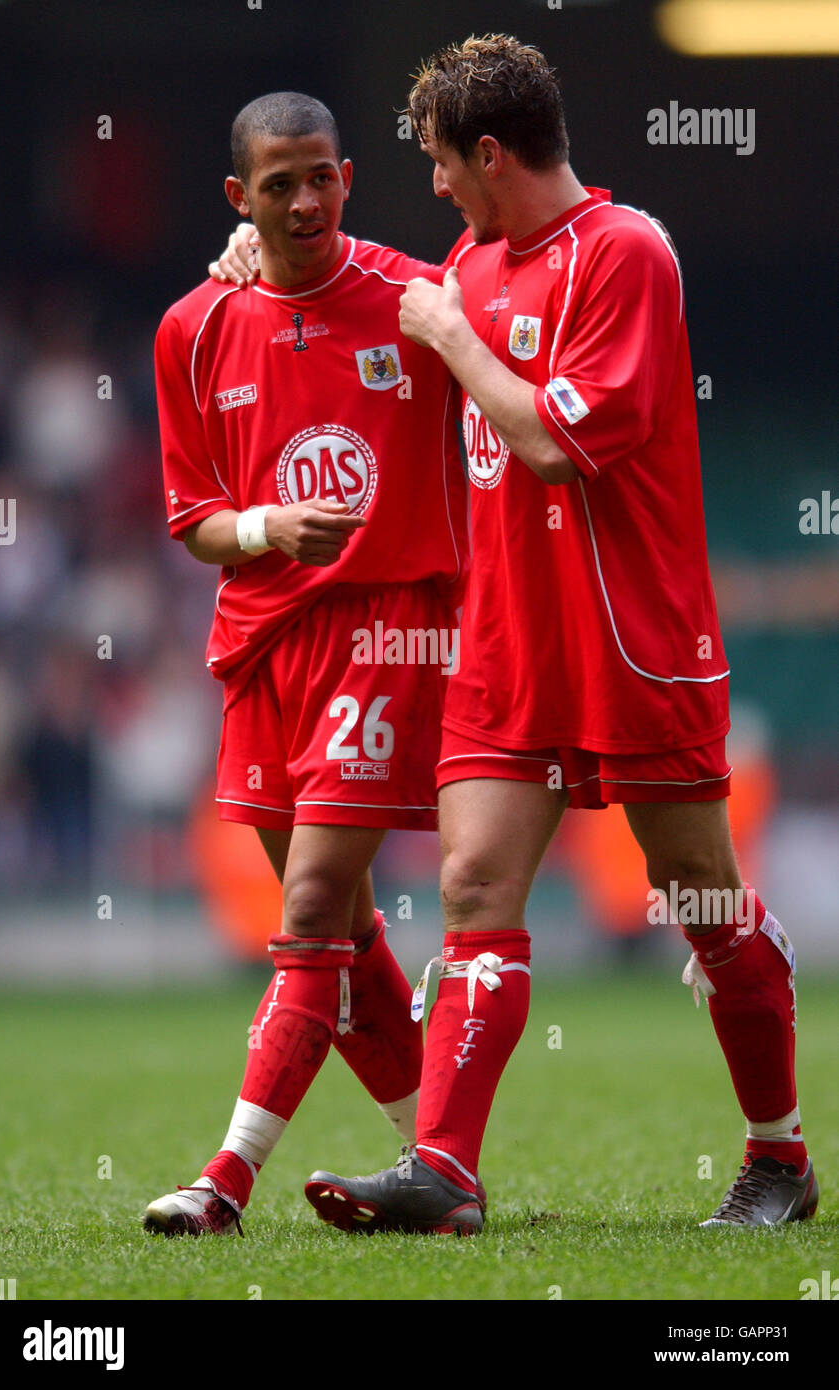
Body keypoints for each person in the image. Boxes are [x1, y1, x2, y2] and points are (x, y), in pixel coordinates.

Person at [292, 35, 815, 1234]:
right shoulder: (472, 257)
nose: (432, 190)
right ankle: (444, 1171)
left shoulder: (626, 255)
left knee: (696, 895)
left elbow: (546, 439)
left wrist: (456, 338)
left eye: (437, 163)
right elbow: (380, 291)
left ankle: (776, 1156)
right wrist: (256, 254)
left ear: (488, 153)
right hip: (506, 643)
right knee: (473, 883)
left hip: (632, 641)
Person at [144, 91, 468, 1236]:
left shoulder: (414, 298)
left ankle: (221, 1181)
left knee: (316, 906)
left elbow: (522, 294)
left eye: (320, 176)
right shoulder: (192, 326)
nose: (302, 200)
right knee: (344, 930)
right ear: (240, 197)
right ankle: (438, 1165)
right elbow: (192, 517)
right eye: (276, 184)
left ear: (347, 178)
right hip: (261, 641)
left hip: (387, 629)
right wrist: (266, 528)